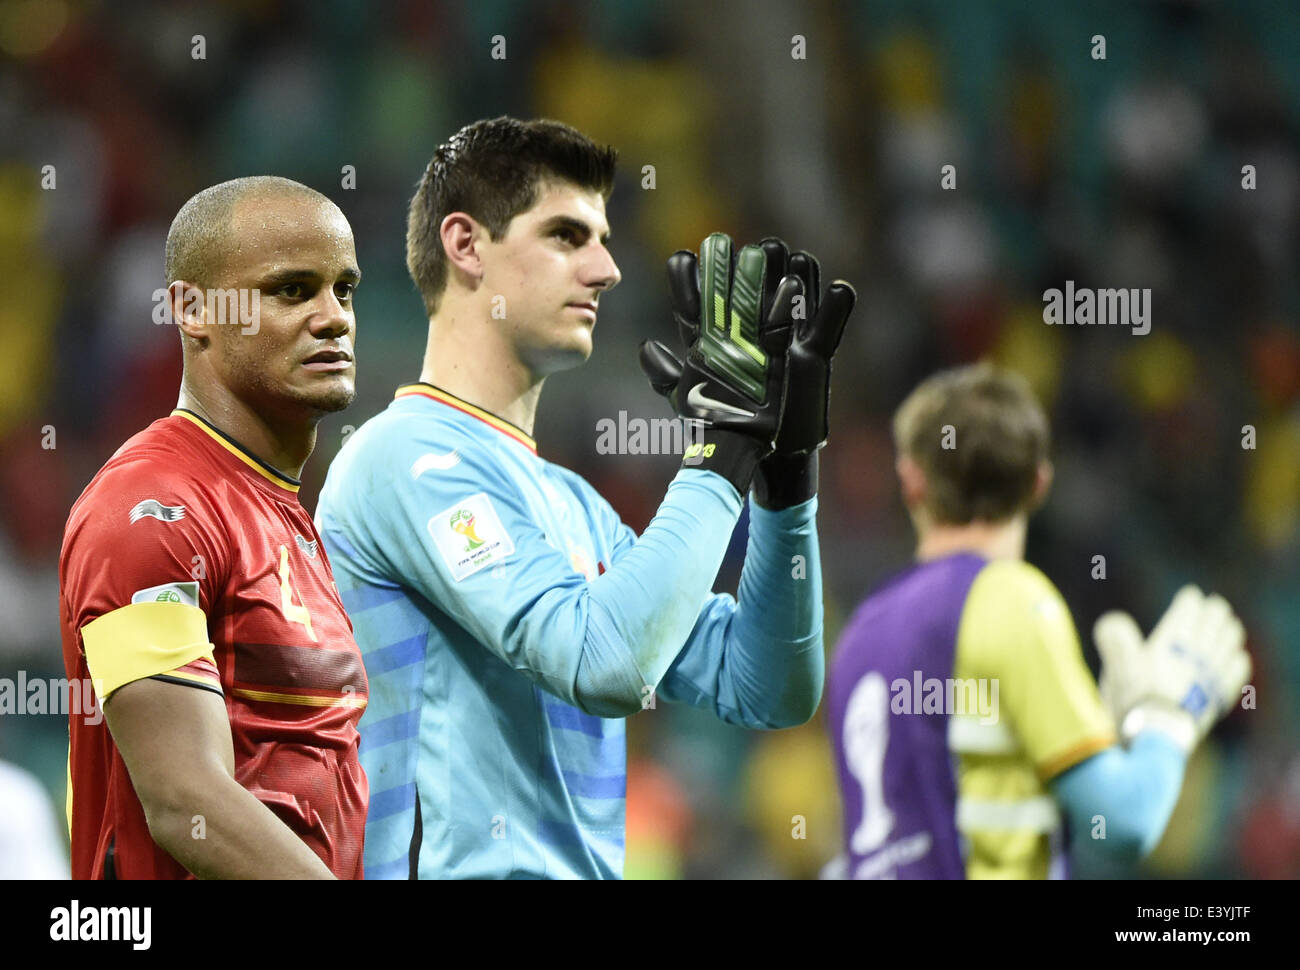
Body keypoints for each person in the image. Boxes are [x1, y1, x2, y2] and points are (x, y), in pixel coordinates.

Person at [315, 116, 856, 878]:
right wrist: (719, 452)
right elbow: (604, 663)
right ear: (465, 245)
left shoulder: (575, 506)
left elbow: (768, 685)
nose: (607, 269)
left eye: (603, 238)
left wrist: (783, 478)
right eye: (568, 236)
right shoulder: (403, 458)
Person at [825, 363, 1251, 879]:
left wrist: (1101, 741)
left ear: (911, 479)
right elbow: (1125, 822)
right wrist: (1171, 718)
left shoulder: (858, 636)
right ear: (1039, 482)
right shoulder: (1012, 600)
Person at [59, 176, 368, 878]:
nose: (333, 317)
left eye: (343, 290)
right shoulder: (150, 507)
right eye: (292, 290)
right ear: (192, 309)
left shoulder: (282, 513)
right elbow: (182, 798)